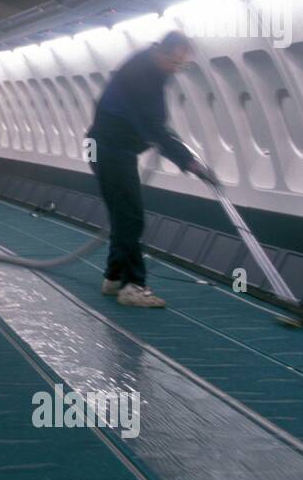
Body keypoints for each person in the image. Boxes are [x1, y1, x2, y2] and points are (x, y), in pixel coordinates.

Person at [87, 31, 216, 307]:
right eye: (176, 63)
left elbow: (154, 124)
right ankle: (133, 286)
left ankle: (114, 277)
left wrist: (181, 154)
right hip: (108, 149)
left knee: (122, 215)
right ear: (162, 53)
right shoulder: (142, 76)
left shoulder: (150, 68)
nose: (177, 70)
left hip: (108, 148)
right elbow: (153, 128)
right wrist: (190, 162)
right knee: (131, 217)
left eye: (182, 65)